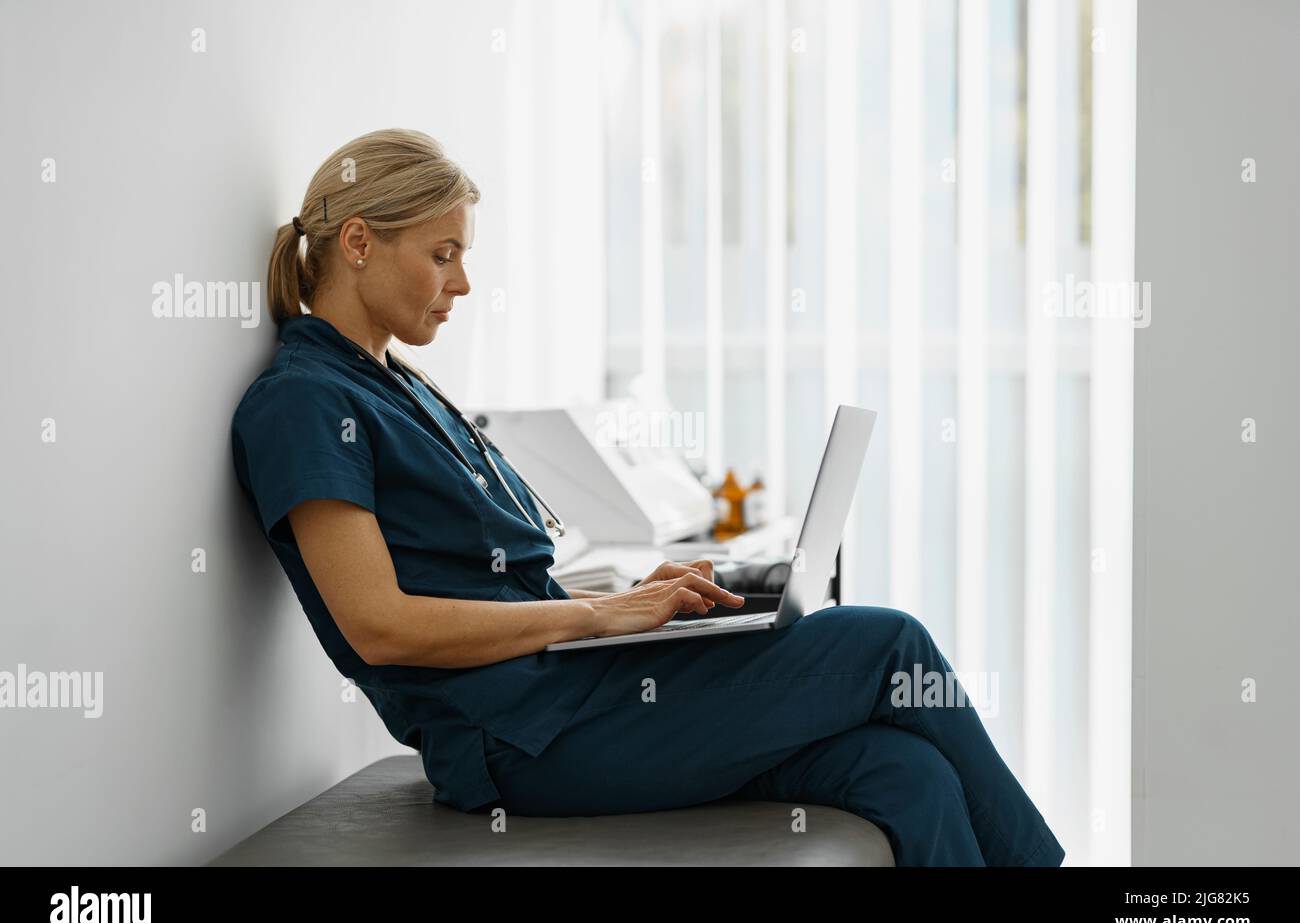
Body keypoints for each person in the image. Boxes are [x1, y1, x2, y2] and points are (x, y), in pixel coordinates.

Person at [230, 128, 1065, 866]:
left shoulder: (400, 386)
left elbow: (494, 589)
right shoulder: (306, 403)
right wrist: (591, 620)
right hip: (522, 740)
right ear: (359, 242)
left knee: (902, 774)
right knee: (888, 645)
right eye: (443, 254)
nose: (464, 283)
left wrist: (632, 601)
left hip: (569, 696)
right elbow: (379, 625)